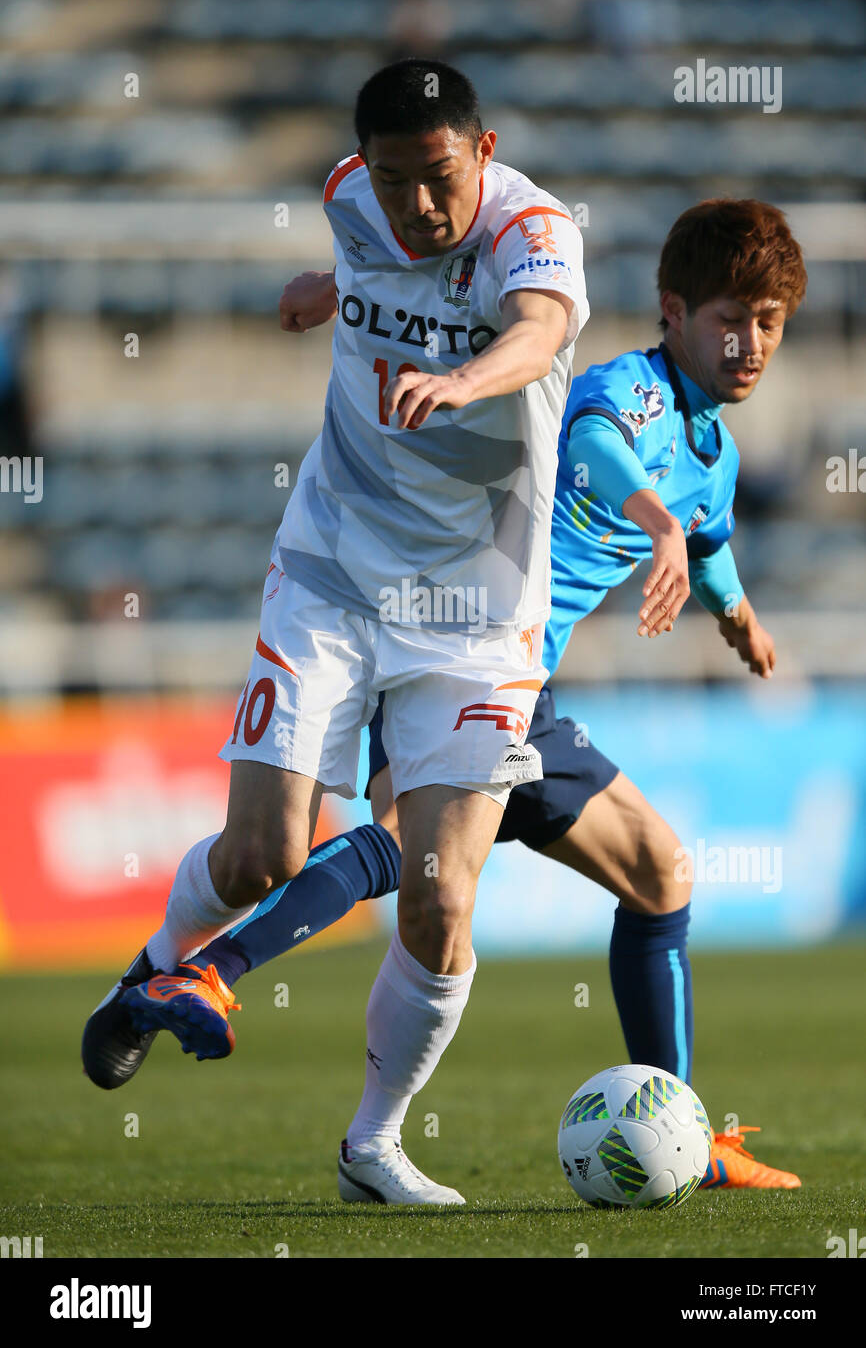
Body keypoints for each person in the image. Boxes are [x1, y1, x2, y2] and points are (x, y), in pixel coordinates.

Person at [86, 199, 806, 1201]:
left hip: (527, 694)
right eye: (731, 316)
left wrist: (738, 617)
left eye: (768, 321)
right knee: (409, 857)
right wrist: (655, 525)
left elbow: (712, 531)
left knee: (658, 872)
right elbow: (593, 442)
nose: (748, 341)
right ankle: (207, 972)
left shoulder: (713, 450)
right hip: (458, 647)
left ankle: (684, 1125)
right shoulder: (630, 390)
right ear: (672, 310)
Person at [81, 58, 590, 1207]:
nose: (418, 205)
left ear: (486, 149)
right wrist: (327, 287)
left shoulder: (534, 230)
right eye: (398, 179)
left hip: (477, 609)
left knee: (439, 887)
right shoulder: (350, 195)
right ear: (367, 167)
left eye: (442, 177)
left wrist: (465, 382)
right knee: (261, 850)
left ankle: (373, 1144)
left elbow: (539, 328)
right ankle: (152, 976)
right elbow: (370, 265)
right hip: (331, 574)